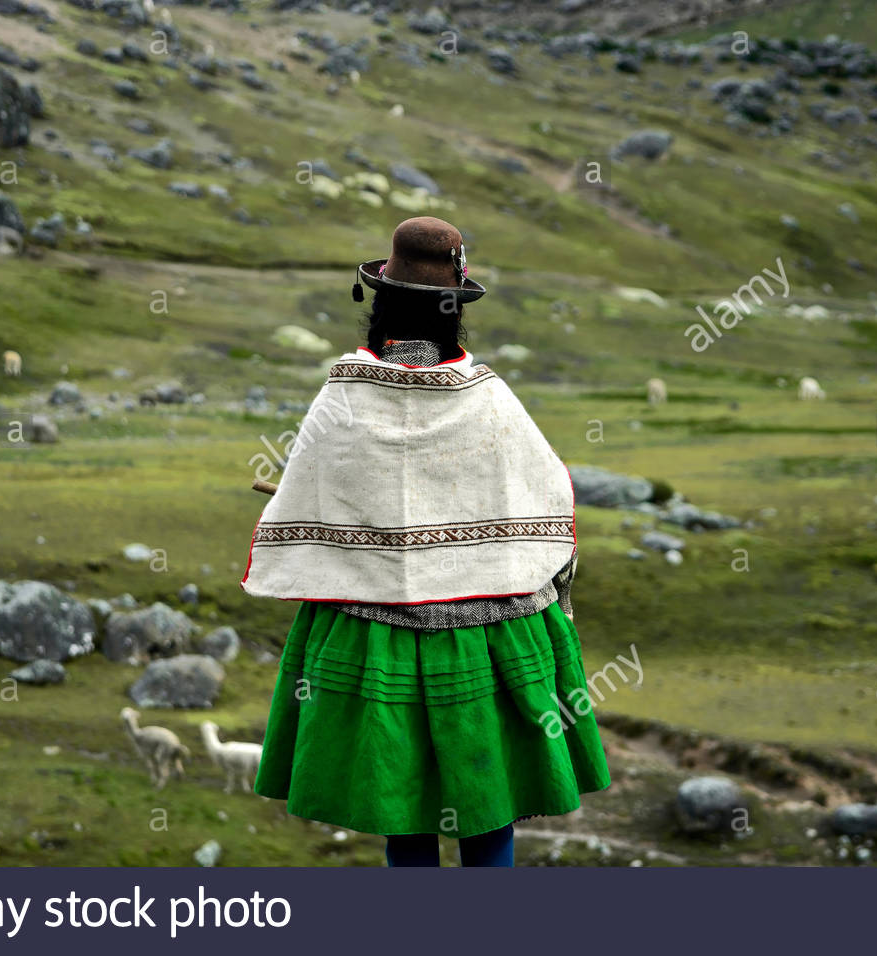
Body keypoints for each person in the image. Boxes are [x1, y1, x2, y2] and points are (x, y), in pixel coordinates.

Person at [243, 216, 610, 867]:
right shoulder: (488, 395)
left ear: (379, 300)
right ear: (456, 305)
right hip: (485, 636)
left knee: (403, 815)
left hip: (375, 633)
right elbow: (543, 489)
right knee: (488, 809)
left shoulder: (346, 390)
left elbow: (310, 486)